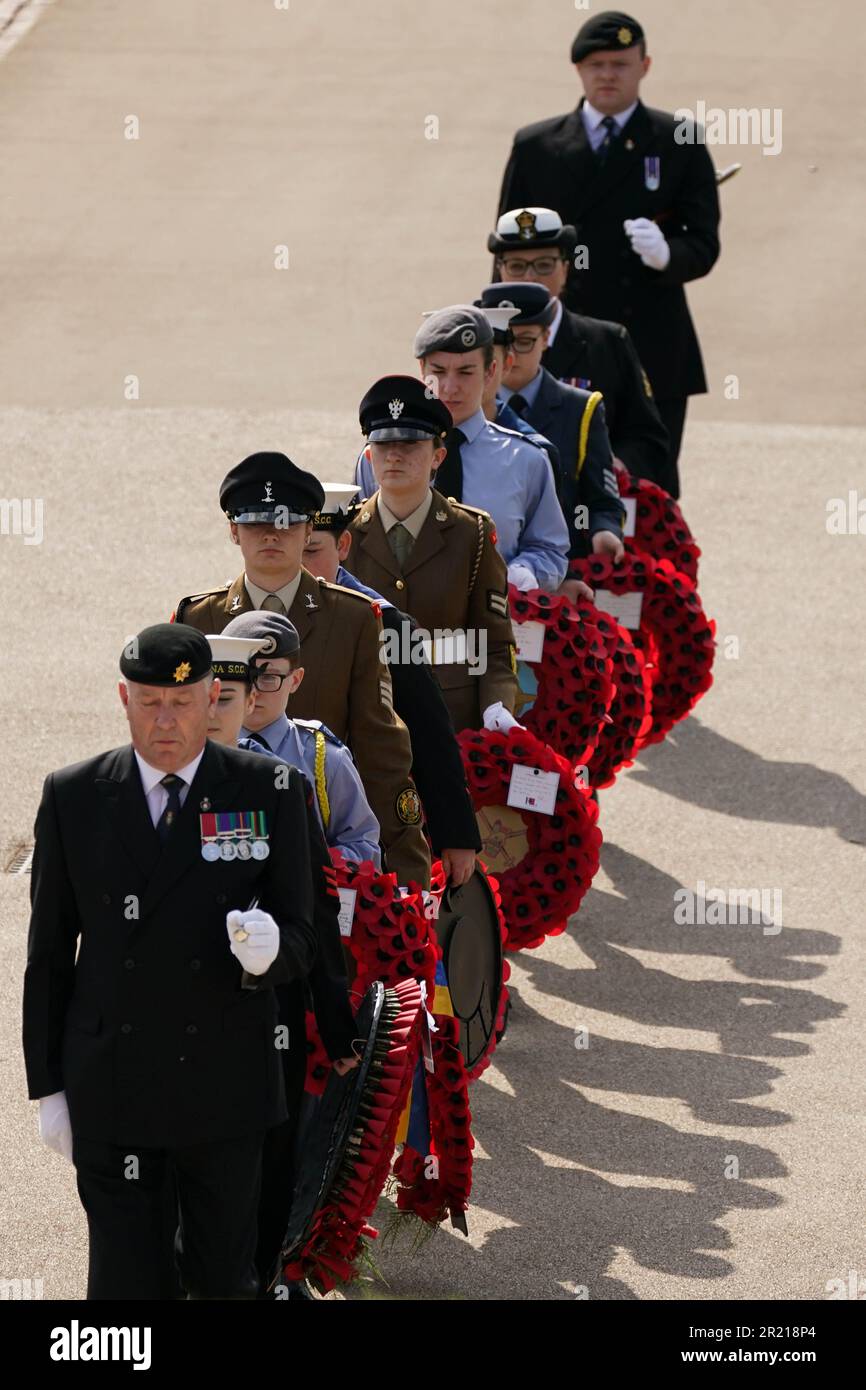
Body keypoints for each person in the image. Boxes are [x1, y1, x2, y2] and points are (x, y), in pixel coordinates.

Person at [23, 624, 321, 1300]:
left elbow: (305, 933)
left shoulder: (269, 789)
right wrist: (49, 1088)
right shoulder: (75, 796)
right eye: (150, 701)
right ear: (124, 700)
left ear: (215, 696)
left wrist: (273, 952)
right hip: (112, 1085)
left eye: (183, 702)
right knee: (125, 1285)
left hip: (225, 1086)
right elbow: (48, 956)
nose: (166, 720)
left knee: (221, 1279)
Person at [172, 452, 431, 888]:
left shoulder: (353, 619)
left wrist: (405, 863)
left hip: (322, 847)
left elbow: (379, 743)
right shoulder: (197, 620)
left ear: (311, 529)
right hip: (215, 850)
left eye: (287, 523)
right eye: (256, 523)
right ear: (233, 531)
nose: (272, 535)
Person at [496, 10, 721, 497]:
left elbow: (704, 242)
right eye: (596, 64)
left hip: (652, 343)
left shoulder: (679, 139)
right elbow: (507, 250)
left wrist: (668, 254)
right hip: (556, 343)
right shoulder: (537, 146)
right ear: (578, 69)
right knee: (547, 485)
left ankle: (644, 577)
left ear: (645, 65)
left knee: (643, 487)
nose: (607, 75)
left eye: (620, 63)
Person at [204, 628, 361, 1295]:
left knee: (268, 1160)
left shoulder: (287, 785)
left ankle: (264, 1275)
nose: (209, 710)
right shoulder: (132, 783)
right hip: (173, 1018)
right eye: (197, 695)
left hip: (270, 1012)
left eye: (226, 696)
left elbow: (315, 914)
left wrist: (337, 1019)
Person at [302, 486, 481, 887]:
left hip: (362, 819)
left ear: (343, 544)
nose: (299, 565)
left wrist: (455, 834)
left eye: (312, 551)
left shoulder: (385, 623)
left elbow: (429, 729)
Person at [353, 306, 570, 593]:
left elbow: (549, 548)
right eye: (438, 372)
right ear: (422, 370)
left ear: (491, 371)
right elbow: (357, 541)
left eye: (466, 372)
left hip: (493, 622)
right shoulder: (379, 456)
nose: (450, 387)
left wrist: (524, 573)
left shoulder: (525, 459)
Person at [347, 375, 518, 734]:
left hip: (452, 720)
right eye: (383, 444)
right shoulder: (343, 534)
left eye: (409, 443)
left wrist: (496, 707)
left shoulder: (472, 533)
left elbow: (493, 645)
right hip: (368, 721)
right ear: (368, 455)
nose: (394, 454)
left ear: (438, 456)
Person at [488, 205, 669, 485]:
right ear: (500, 270)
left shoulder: (607, 343)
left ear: (565, 268)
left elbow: (646, 437)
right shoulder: (476, 342)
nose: (531, 277)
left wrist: (615, 466)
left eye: (544, 265)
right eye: (517, 266)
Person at [211, 620, 381, 866]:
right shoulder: (197, 754)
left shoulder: (324, 759)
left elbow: (363, 847)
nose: (255, 691)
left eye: (269, 678)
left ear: (296, 680)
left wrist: (304, 864)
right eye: (247, 679)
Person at [479, 282, 626, 561]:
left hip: (561, 575)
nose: (512, 356)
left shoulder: (581, 408)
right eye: (501, 345)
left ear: (546, 337)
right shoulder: (465, 409)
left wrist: (604, 531)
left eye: (524, 342)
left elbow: (603, 500)